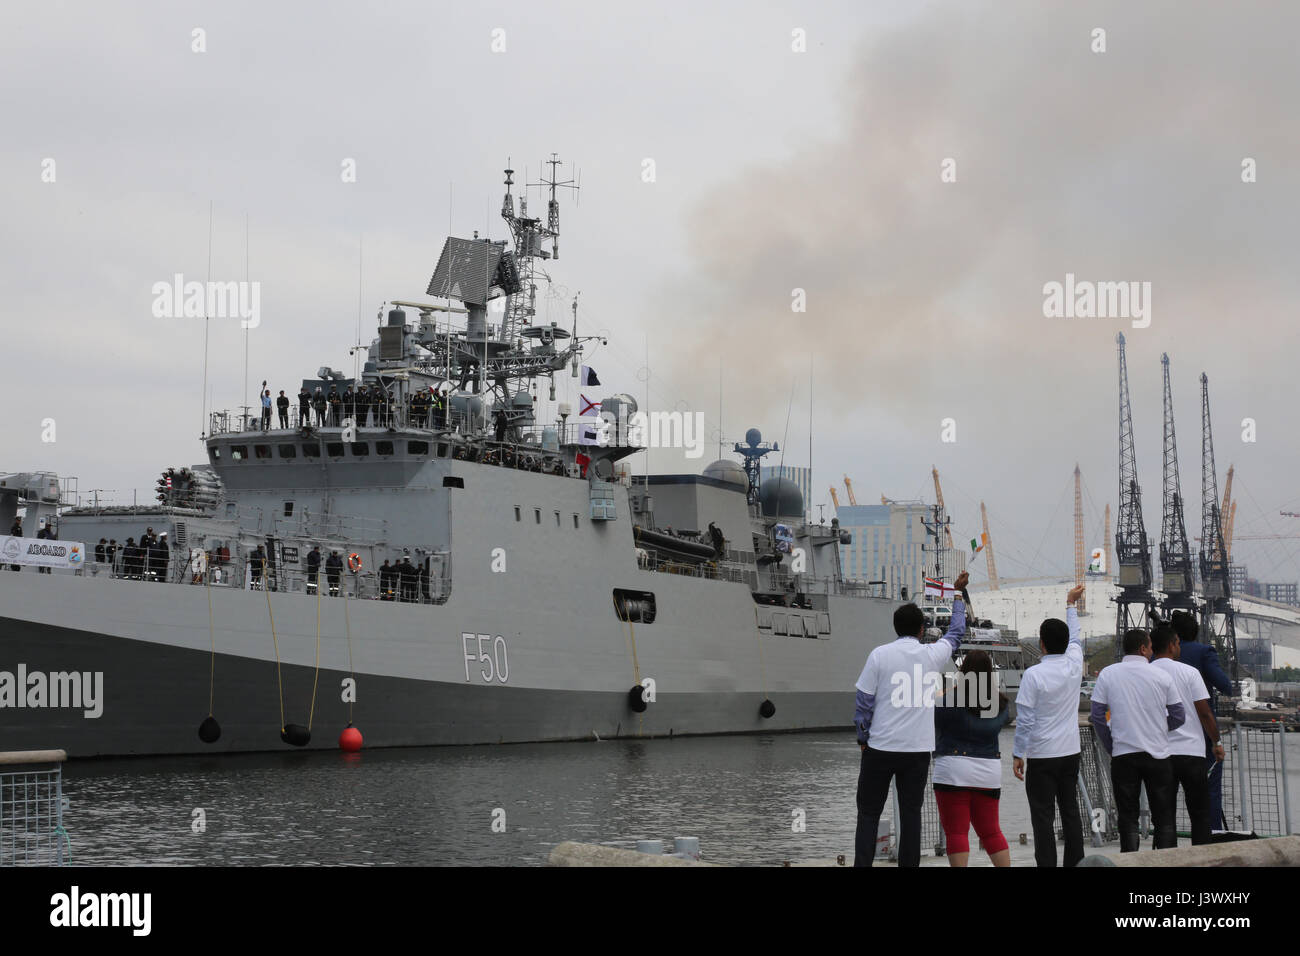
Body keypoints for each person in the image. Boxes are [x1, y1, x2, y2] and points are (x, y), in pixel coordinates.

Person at [853, 570, 970, 867]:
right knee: (911, 814)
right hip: (917, 751)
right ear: (921, 629)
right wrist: (957, 595)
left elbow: (863, 702)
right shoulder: (931, 655)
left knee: (868, 813)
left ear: (895, 628)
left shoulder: (878, 655)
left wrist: (863, 739)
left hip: (880, 748)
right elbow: (956, 633)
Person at [1090, 628, 1186, 852]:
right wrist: (1160, 729)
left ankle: (1130, 860)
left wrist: (1111, 744)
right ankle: (1162, 863)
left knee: (1127, 816)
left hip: (1124, 755)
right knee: (1163, 817)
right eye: (1151, 647)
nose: (1152, 652)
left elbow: (1097, 715)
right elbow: (1179, 715)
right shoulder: (1162, 676)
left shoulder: (1108, 673)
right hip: (1158, 756)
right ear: (1143, 648)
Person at [1012, 584, 1086, 867]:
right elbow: (1076, 637)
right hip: (1070, 753)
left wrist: (1018, 754)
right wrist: (1070, 604)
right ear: (1065, 644)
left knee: (1043, 817)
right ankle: (1075, 864)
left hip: (1042, 756)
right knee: (1070, 812)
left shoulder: (1033, 675)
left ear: (1042, 644)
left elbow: (1026, 719)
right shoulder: (1073, 665)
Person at [932, 649, 1012, 867]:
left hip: (953, 769)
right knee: (991, 832)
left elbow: (933, 713)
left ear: (964, 671)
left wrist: (949, 690)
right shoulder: (1002, 706)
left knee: (957, 832)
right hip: (988, 772)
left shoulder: (950, 702)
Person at [1150, 623, 1222, 846]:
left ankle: (1165, 859)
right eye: (1178, 643)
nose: (1179, 647)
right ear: (1172, 645)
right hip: (1192, 753)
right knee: (1200, 814)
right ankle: (1202, 859)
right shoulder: (1189, 673)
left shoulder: (1146, 673)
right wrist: (1216, 742)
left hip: (1160, 753)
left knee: (1164, 817)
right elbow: (1205, 713)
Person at [1169, 610, 1232, 830]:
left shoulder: (1155, 658)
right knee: (1208, 792)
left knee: (1165, 796)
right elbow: (1225, 685)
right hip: (1202, 735)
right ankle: (1212, 837)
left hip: (1164, 734)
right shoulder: (1204, 652)